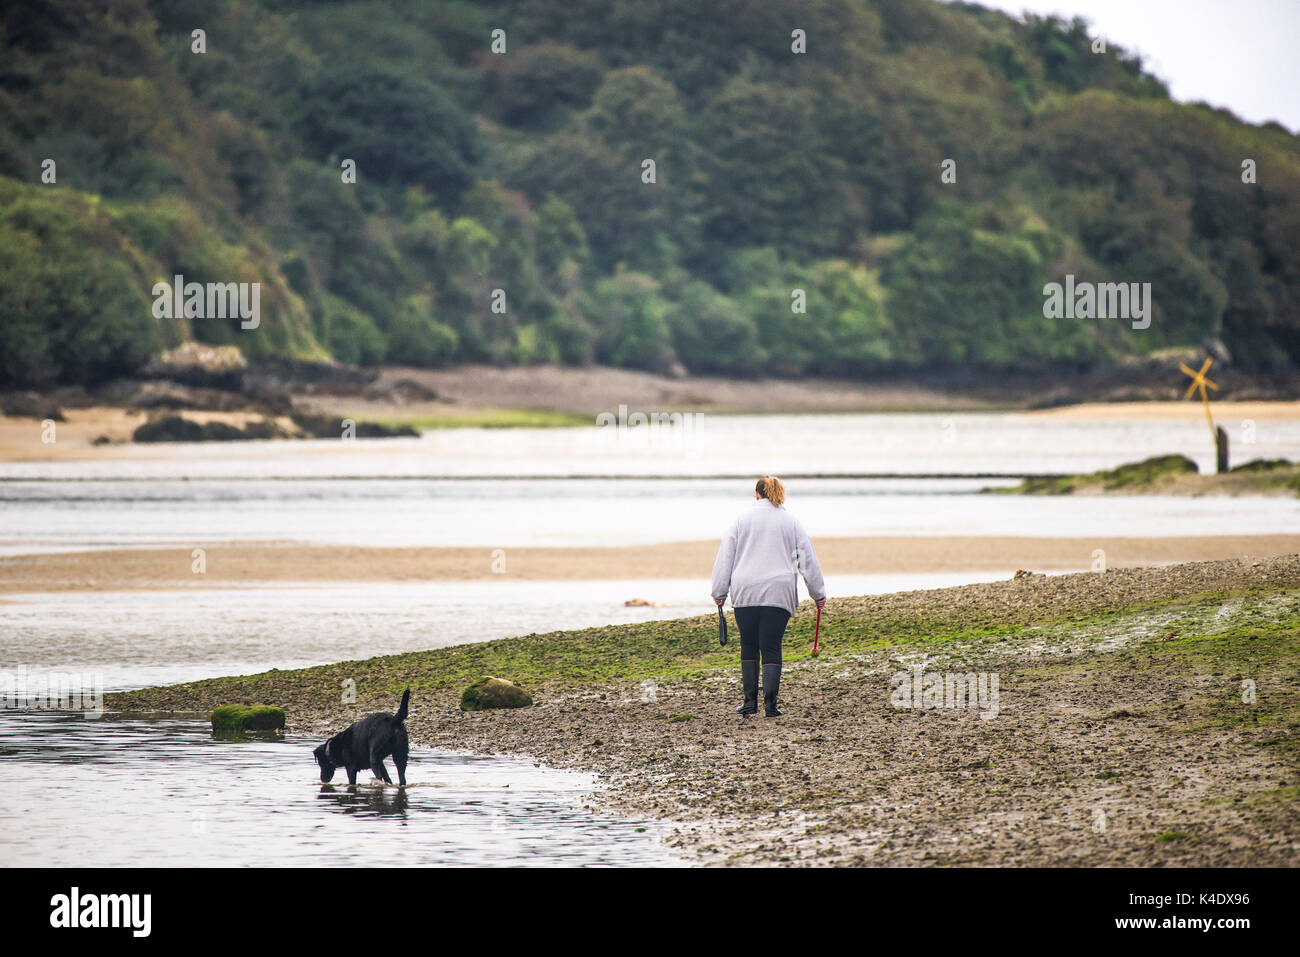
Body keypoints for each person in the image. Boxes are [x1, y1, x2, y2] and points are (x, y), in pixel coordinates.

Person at [710, 475, 826, 717]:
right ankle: (771, 706)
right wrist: (818, 593)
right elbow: (807, 559)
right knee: (771, 647)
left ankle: (750, 703)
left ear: (757, 495)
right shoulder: (791, 522)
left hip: (746, 591)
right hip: (778, 592)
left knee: (748, 644)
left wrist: (719, 591)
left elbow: (725, 557)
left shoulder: (741, 520)